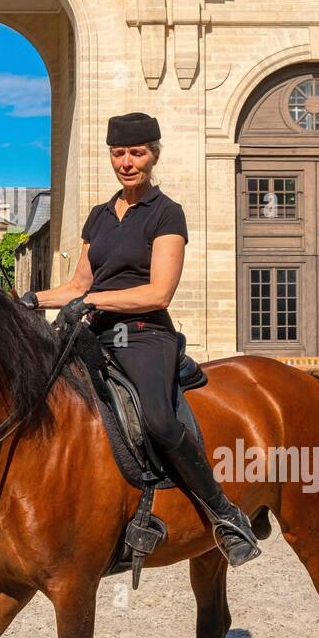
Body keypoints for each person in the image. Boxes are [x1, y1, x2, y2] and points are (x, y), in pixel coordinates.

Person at [18, 111, 260, 566]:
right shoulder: (99, 216)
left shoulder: (167, 214)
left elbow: (158, 291)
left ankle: (225, 515)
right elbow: (77, 285)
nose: (127, 162)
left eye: (137, 153)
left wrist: (96, 303)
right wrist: (32, 299)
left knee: (160, 421)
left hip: (145, 335)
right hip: (93, 331)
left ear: (154, 155)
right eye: (118, 153)